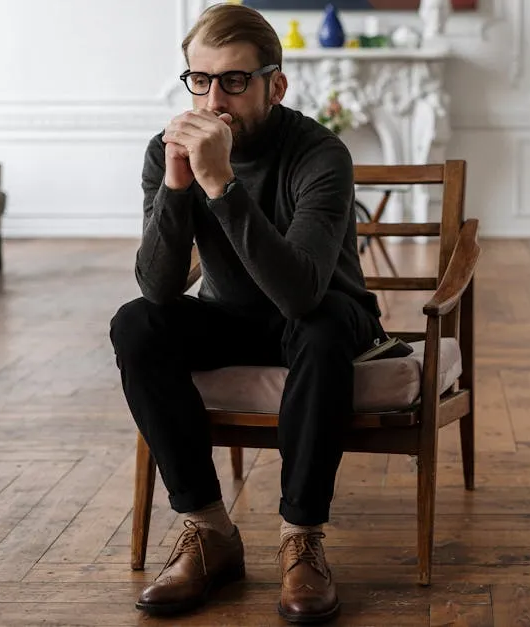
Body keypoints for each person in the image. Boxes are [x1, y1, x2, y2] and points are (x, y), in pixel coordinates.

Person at [109, 4, 384, 623]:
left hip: (322, 316)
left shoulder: (321, 154)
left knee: (319, 326)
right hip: (232, 316)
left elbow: (300, 294)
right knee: (136, 322)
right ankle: (208, 532)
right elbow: (157, 287)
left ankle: (302, 539)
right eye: (200, 80)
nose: (214, 100)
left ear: (275, 84)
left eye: (234, 80)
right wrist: (179, 186)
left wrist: (221, 185)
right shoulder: (169, 150)